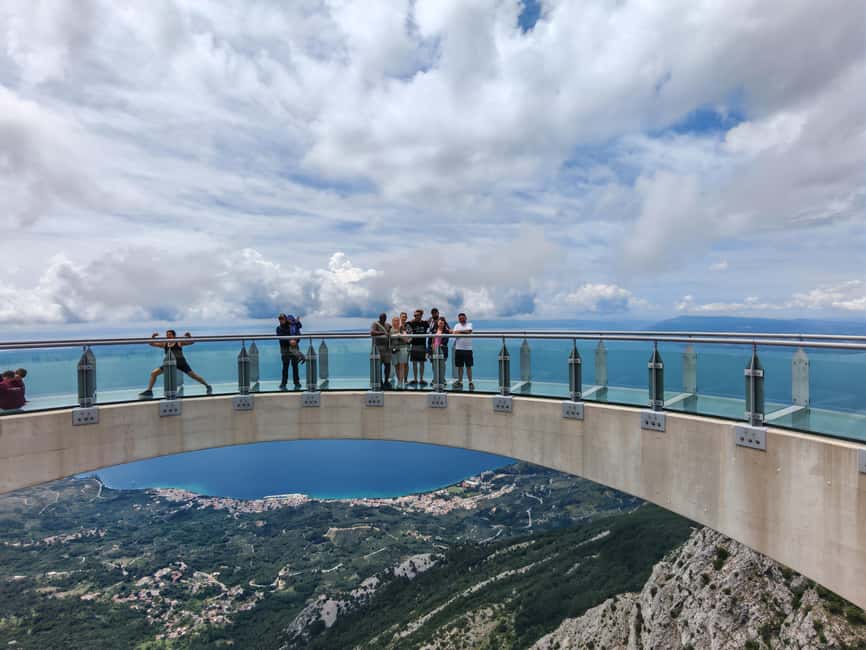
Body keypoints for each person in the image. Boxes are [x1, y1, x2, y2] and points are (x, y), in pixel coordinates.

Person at [138, 330, 212, 397]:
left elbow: (191, 342)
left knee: (193, 376)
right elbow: (151, 344)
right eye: (167, 335)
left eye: (170, 334)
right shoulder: (165, 344)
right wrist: (153, 337)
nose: (168, 336)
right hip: (169, 363)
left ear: (174, 336)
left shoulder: (178, 342)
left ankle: (207, 386)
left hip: (181, 363)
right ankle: (149, 391)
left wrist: (189, 336)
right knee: (154, 373)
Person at [277, 313, 305, 389]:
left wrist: (296, 341)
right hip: (285, 350)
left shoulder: (292, 326)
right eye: (280, 319)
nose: (281, 320)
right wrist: (290, 341)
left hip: (294, 348)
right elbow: (281, 338)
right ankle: (283, 383)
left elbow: (298, 334)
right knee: (285, 367)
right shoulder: (279, 328)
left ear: (285, 319)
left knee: (295, 367)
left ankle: (297, 383)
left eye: (282, 318)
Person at [452, 312, 475, 389]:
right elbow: (454, 333)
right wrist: (463, 332)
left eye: (463, 318)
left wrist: (459, 332)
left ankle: (470, 382)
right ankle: (460, 382)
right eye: (460, 318)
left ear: (466, 318)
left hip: (468, 349)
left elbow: (469, 331)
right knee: (460, 367)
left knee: (469, 366)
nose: (462, 319)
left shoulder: (469, 324)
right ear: (458, 319)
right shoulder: (456, 325)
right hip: (458, 348)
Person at [406, 309, 429, 385]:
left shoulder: (425, 323)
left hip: (422, 345)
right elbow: (406, 324)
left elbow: (432, 322)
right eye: (414, 315)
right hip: (414, 345)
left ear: (421, 315)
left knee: (422, 363)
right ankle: (415, 379)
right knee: (414, 363)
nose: (415, 316)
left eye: (417, 315)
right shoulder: (411, 323)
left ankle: (421, 379)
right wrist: (410, 322)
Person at [370, 312, 393, 388]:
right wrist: (383, 333)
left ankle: (386, 381)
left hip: (387, 349)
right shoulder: (375, 324)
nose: (383, 319)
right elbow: (372, 332)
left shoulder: (388, 325)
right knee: (378, 366)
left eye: (384, 317)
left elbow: (393, 330)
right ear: (379, 318)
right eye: (382, 317)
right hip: (378, 349)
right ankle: (380, 381)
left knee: (388, 365)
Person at [391, 315, 410, 388]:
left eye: (398, 321)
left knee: (402, 365)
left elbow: (406, 339)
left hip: (402, 348)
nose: (397, 322)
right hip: (394, 349)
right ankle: (399, 380)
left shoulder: (402, 329)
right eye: (395, 321)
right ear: (392, 322)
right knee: (396, 365)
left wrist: (400, 334)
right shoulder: (390, 330)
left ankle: (400, 382)